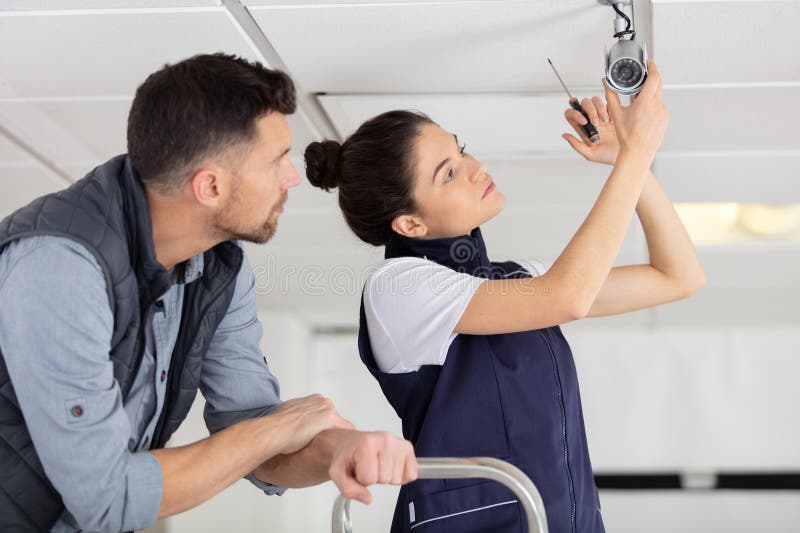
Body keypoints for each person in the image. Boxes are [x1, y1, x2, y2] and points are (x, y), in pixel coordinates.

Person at [0, 53, 417, 532]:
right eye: (275, 160)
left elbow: (254, 435)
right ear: (210, 186)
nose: (291, 177)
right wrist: (275, 428)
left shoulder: (219, 264)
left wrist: (341, 449)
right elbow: (109, 497)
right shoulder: (58, 266)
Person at [304, 60, 706, 533]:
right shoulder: (397, 287)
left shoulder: (517, 281)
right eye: (448, 174)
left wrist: (629, 163)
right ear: (410, 224)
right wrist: (636, 156)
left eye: (462, 151)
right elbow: (569, 297)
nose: (476, 168)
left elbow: (677, 276)